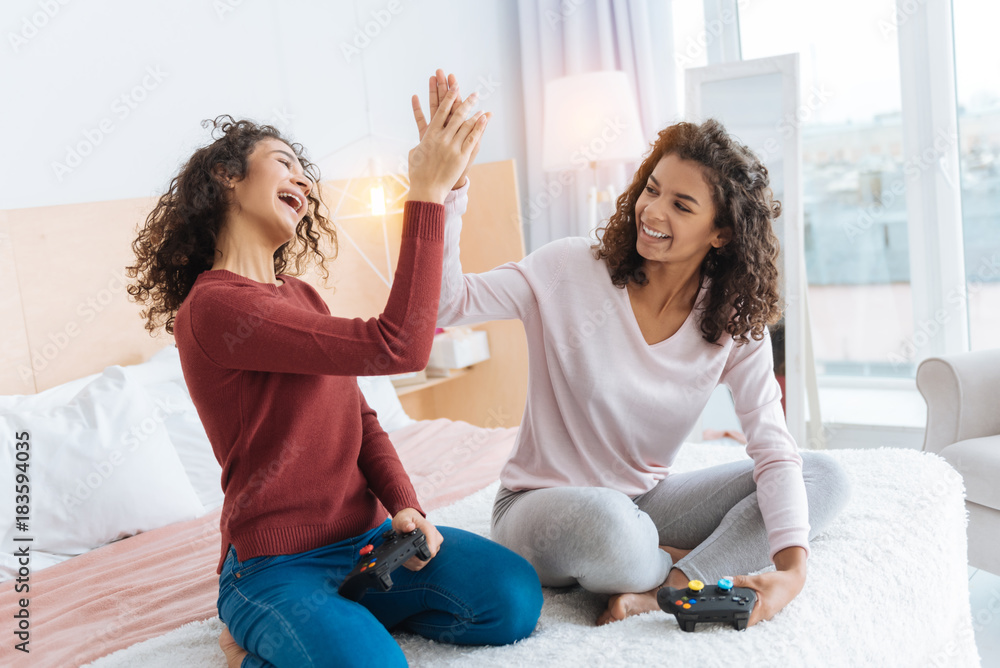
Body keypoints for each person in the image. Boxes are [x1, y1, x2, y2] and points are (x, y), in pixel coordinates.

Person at [414, 71, 852, 628]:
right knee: (612, 526)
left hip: (647, 500)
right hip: (539, 509)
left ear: (721, 233)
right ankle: (667, 558)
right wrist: (446, 191)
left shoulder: (732, 322)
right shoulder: (569, 268)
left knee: (822, 478)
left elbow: (771, 445)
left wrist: (792, 573)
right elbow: (447, 305)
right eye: (652, 189)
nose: (652, 211)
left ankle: (665, 587)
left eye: (682, 205)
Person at [126, 93, 541, 668]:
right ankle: (250, 647)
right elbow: (399, 344)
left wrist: (405, 504)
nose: (301, 178)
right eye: (283, 161)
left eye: (304, 170)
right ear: (227, 176)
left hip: (369, 544)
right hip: (276, 565)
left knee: (513, 598)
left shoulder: (301, 296)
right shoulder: (213, 308)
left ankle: (342, 622)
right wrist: (423, 194)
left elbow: (360, 417)